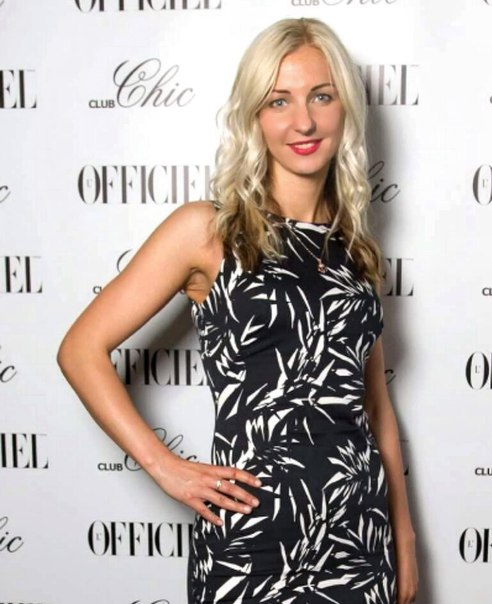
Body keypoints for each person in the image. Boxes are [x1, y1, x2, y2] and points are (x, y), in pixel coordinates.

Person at [57, 17, 418, 604]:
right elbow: (80, 349)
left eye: (321, 96)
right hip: (251, 540)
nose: (304, 121)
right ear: (254, 116)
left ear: (345, 108)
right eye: (279, 101)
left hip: (358, 539)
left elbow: (376, 410)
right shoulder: (208, 230)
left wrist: (403, 537)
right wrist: (165, 466)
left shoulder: (355, 249)